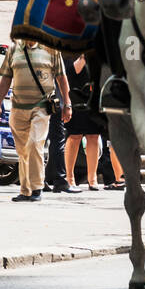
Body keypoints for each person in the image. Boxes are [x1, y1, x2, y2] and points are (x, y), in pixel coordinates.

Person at [0, 39, 72, 201]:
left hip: (41, 106)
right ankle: (26, 190)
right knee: (23, 150)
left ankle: (37, 187)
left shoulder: (51, 50)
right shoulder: (14, 50)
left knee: (35, 142)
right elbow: (6, 79)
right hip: (18, 108)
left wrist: (67, 104)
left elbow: (62, 78)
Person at [63, 54, 106, 189]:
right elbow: (72, 71)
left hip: (93, 100)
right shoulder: (71, 53)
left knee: (93, 137)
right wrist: (84, 56)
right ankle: (70, 177)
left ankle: (92, 179)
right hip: (77, 100)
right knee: (74, 137)